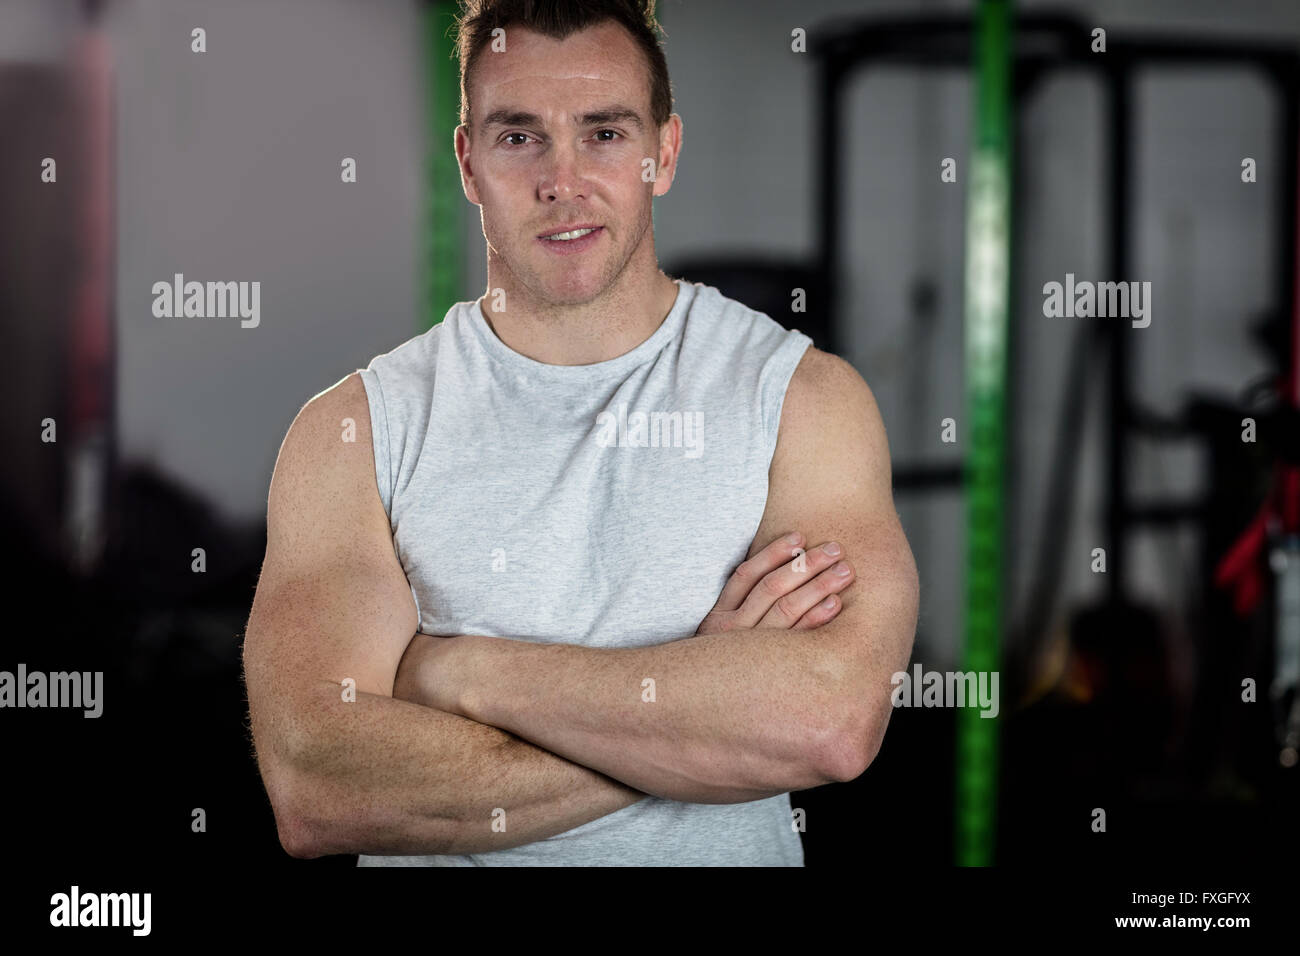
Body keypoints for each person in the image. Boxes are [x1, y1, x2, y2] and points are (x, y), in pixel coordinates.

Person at [242, 0, 918, 866]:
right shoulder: (353, 432)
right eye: (519, 137)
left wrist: (463, 673)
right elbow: (319, 786)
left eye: (603, 134)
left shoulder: (802, 402)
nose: (563, 180)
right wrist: (696, 719)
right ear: (468, 162)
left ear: (662, 153)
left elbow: (828, 722)